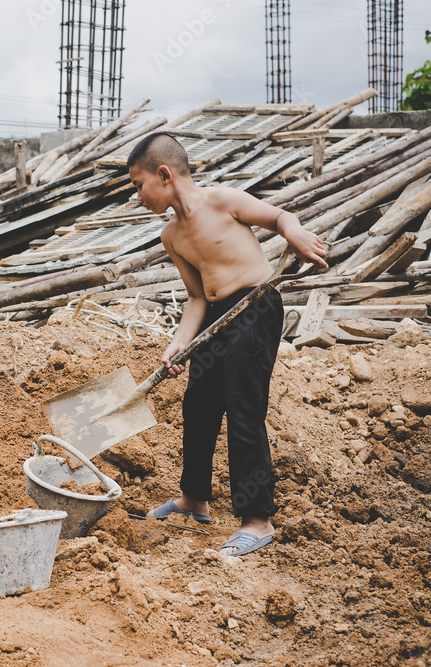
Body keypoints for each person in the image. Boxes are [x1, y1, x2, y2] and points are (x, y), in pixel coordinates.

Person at [127, 133, 328, 557]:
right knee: (198, 404)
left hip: (255, 307)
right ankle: (194, 499)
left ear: (164, 175)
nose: (137, 195)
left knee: (243, 406)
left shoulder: (222, 200)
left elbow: (279, 217)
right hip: (216, 318)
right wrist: (178, 344)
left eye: (138, 184)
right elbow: (197, 297)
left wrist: (297, 236)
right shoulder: (171, 237)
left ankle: (257, 520)